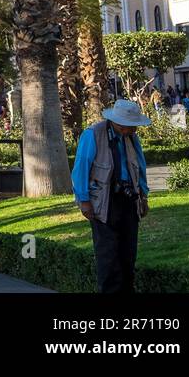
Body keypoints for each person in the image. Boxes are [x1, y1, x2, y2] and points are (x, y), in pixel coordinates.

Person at [72, 99, 151, 293]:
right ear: (118, 122)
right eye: (130, 126)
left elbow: (139, 166)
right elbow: (80, 169)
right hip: (104, 202)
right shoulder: (93, 134)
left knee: (128, 253)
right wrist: (84, 201)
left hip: (128, 200)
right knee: (107, 256)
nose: (134, 130)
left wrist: (144, 195)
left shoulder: (131, 137)